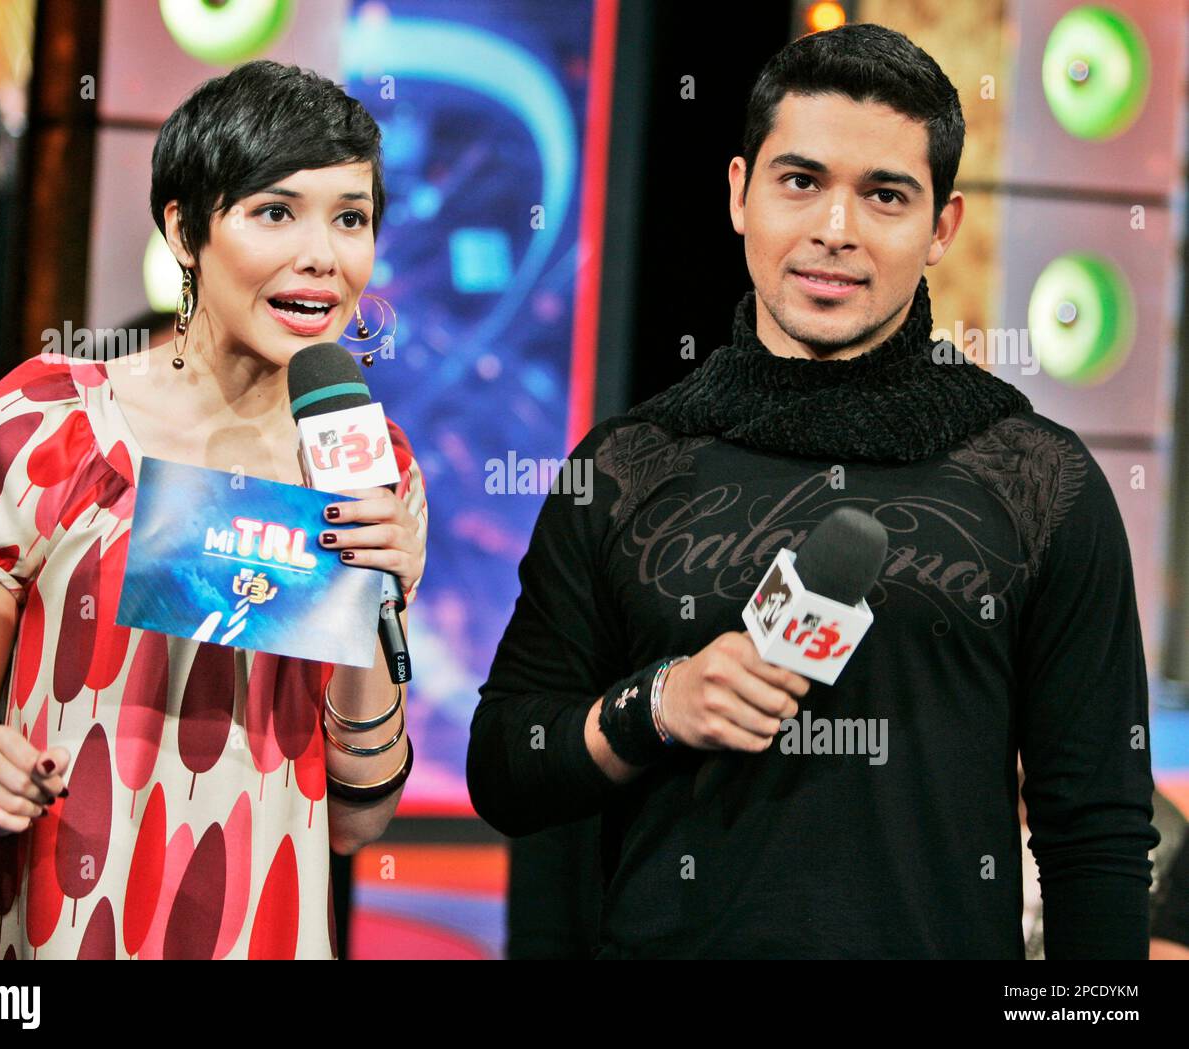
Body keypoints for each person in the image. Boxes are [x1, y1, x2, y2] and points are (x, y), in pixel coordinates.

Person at [468, 23, 1159, 959]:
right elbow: (506, 768)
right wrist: (658, 704)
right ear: (739, 194)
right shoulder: (627, 466)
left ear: (942, 226)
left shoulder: (1041, 480)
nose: (835, 231)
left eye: (884, 195)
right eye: (801, 182)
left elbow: (1100, 837)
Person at [0, 60, 427, 960]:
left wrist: (378, 592)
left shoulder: (368, 469)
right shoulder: (45, 429)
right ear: (184, 230)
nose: (323, 255)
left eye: (350, 218)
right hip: (54, 936)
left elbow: (359, 814)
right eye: (275, 211)